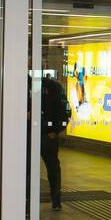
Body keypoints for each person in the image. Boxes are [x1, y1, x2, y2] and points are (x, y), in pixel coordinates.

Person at [39, 74, 69, 211]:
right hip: (33, 134)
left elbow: (65, 111)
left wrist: (55, 130)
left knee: (53, 168)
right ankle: (26, 203)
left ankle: (56, 199)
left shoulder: (53, 87)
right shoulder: (24, 83)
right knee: (51, 168)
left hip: (47, 135)